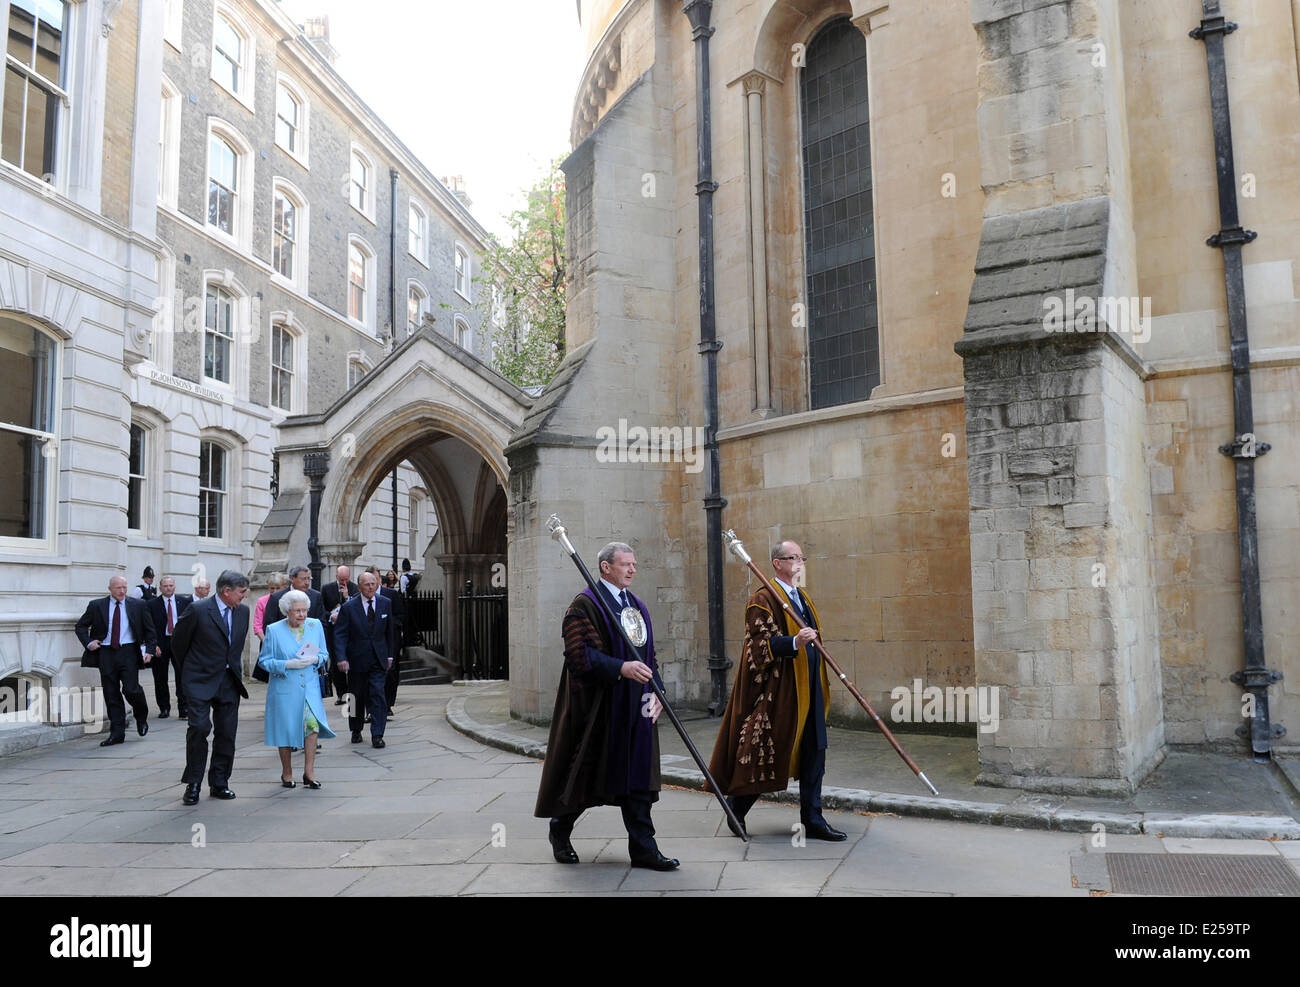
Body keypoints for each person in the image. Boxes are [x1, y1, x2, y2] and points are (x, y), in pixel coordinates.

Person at [534, 542, 678, 871]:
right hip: (600, 710)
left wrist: (659, 692)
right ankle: (560, 830)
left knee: (640, 779)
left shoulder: (638, 605)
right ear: (605, 568)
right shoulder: (584, 606)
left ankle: (644, 849)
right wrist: (620, 668)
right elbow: (578, 655)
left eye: (634, 564)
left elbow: (648, 656)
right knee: (586, 779)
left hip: (637, 707)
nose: (632, 569)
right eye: (625, 564)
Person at [707, 540, 845, 842]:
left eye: (802, 558)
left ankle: (813, 818)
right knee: (769, 752)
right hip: (782, 693)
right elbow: (757, 647)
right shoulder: (763, 599)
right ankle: (737, 808)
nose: (799, 563)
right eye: (792, 558)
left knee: (815, 752)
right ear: (777, 563)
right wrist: (794, 642)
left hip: (811, 688)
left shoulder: (802, 597)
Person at [172, 569, 250, 805]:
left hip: (229, 682)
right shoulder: (198, 610)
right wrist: (188, 677)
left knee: (226, 733)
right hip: (199, 681)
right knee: (199, 728)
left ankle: (219, 782)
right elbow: (178, 645)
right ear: (226, 591)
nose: (244, 597)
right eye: (241, 592)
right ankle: (193, 783)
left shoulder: (242, 612)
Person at [258, 589, 334, 789]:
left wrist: (316, 659)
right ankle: (287, 772)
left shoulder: (315, 625)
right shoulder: (274, 630)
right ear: (286, 611)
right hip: (284, 688)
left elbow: (325, 653)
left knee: (312, 727)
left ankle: (309, 773)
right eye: (297, 611)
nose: (302, 615)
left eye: (304, 610)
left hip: (309, 688)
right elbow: (264, 661)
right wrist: (286, 665)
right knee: (285, 730)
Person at [74, 575, 157, 746]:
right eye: (118, 588)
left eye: (124, 587)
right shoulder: (97, 606)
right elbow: (81, 626)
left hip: (128, 652)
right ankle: (117, 732)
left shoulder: (138, 605)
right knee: (111, 693)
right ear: (110, 588)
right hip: (106, 653)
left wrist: (149, 650)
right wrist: (89, 643)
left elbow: (150, 630)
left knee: (131, 689)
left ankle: (141, 716)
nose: (122, 591)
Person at [333, 571, 394, 748]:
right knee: (355, 696)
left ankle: (377, 734)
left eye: (373, 584)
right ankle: (355, 729)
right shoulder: (349, 607)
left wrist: (390, 655)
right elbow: (340, 634)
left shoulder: (385, 604)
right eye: (366, 584)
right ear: (359, 587)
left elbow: (390, 633)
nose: (370, 587)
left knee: (377, 694)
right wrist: (341, 658)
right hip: (356, 659)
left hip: (378, 658)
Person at [148, 576, 192, 719]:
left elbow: (189, 624)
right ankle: (164, 707)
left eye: (171, 585)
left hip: (179, 643)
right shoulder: (152, 604)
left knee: (182, 676)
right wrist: (153, 645)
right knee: (160, 677)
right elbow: (149, 626)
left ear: (174, 587)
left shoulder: (185, 602)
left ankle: (183, 707)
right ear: (160, 588)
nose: (168, 588)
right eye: (165, 586)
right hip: (161, 643)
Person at [322, 565, 359, 701]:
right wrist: (330, 616)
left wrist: (346, 597)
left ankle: (352, 692)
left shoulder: (354, 588)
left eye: (346, 579)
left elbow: (356, 608)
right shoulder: (327, 588)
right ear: (336, 576)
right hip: (333, 631)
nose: (344, 582)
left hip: (350, 632)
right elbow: (322, 609)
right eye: (341, 579)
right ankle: (341, 694)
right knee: (337, 663)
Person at [379, 568, 405, 714]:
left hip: (388, 641)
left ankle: (387, 704)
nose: (371, 586)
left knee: (390, 672)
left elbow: (400, 616)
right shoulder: (356, 601)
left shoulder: (390, 596)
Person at [253, 573, 286, 645]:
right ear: (268, 587)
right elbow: (257, 625)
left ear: (284, 587)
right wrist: (265, 641)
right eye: (272, 588)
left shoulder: (288, 600)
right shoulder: (262, 601)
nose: (275, 591)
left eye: (278, 588)